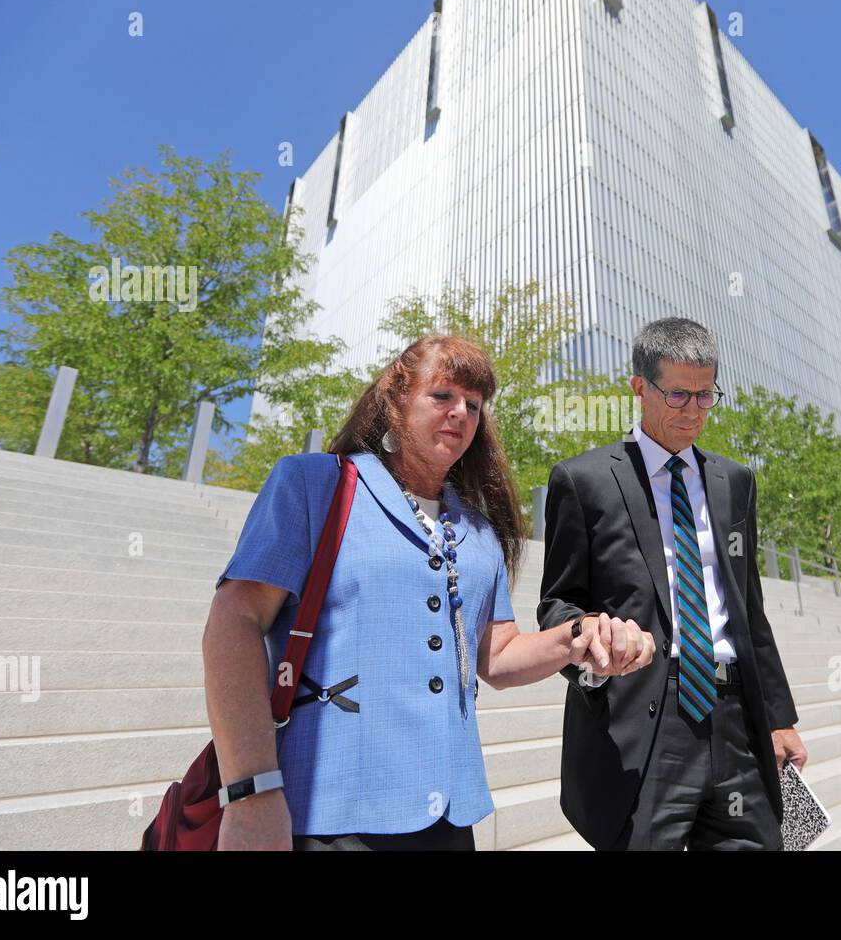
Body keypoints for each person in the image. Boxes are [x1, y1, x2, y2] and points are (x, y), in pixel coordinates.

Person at [203, 334, 655, 850]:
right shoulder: (314, 484)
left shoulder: (480, 531)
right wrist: (251, 791)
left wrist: (580, 633)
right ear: (395, 402)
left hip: (449, 816)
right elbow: (234, 622)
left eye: (474, 404)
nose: (460, 412)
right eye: (442, 395)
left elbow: (499, 656)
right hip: (324, 812)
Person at [538, 316, 807, 850]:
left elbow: (749, 611)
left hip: (736, 718)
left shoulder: (735, 482)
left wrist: (779, 718)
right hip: (644, 715)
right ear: (640, 387)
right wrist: (590, 639)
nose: (694, 412)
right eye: (679, 395)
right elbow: (558, 604)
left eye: (706, 396)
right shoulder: (583, 480)